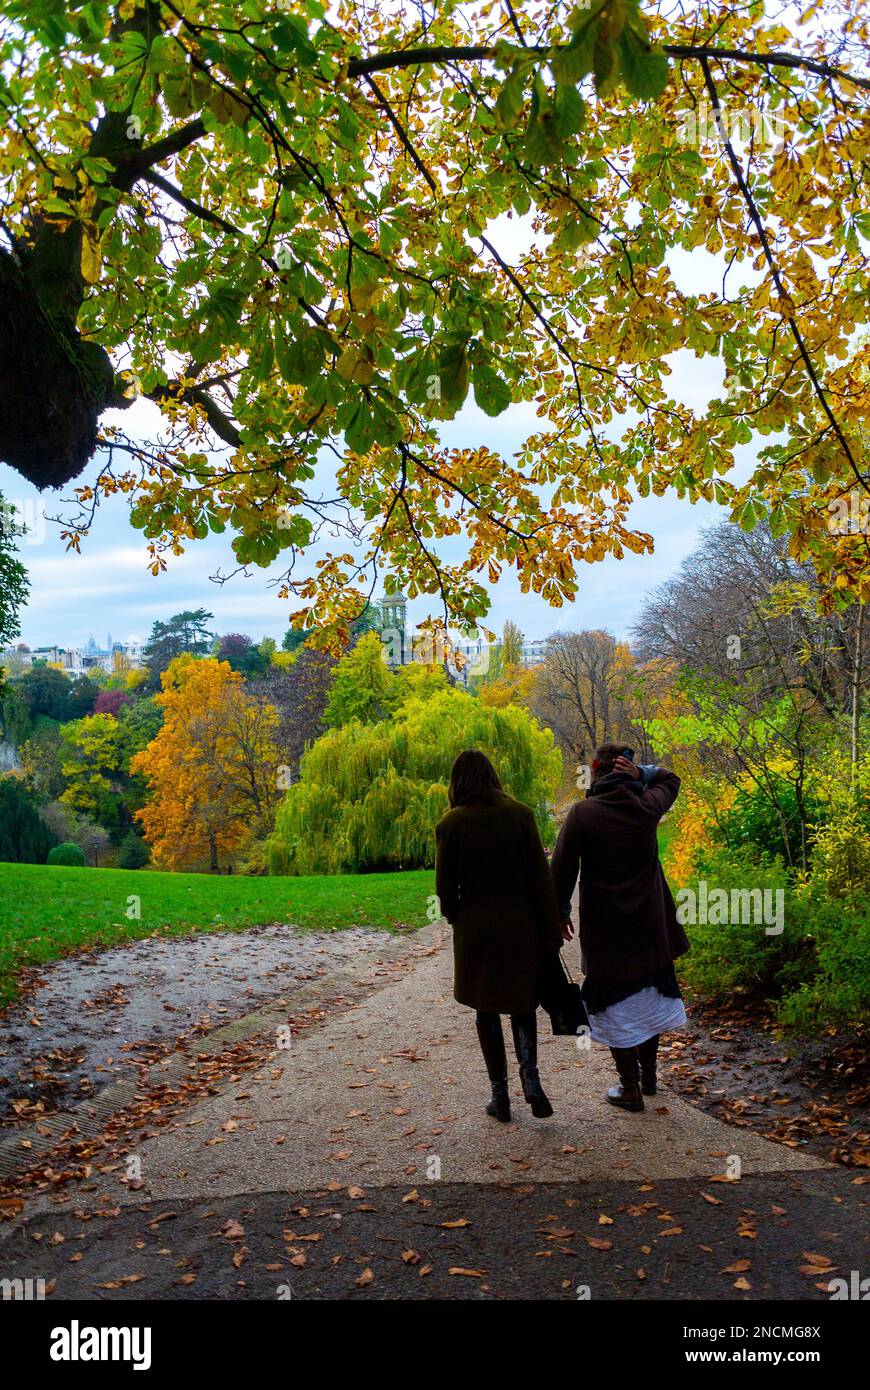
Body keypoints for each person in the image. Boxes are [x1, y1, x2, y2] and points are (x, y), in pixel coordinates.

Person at [549, 743, 688, 1113]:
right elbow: (670, 778)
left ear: (595, 772)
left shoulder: (582, 814)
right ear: (627, 770)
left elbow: (562, 870)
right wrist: (642, 773)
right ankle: (649, 1077)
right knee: (648, 994)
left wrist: (560, 911)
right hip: (650, 923)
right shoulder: (647, 807)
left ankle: (630, 1088)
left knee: (614, 1002)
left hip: (607, 926)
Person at [435, 749, 564, 1123]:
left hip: (477, 929)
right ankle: (532, 1082)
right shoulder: (520, 814)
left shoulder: (453, 822)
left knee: (486, 1008)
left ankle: (500, 1096)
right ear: (492, 775)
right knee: (523, 1005)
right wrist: (550, 926)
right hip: (521, 925)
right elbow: (542, 877)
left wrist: (454, 915)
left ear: (458, 781)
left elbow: (445, 887)